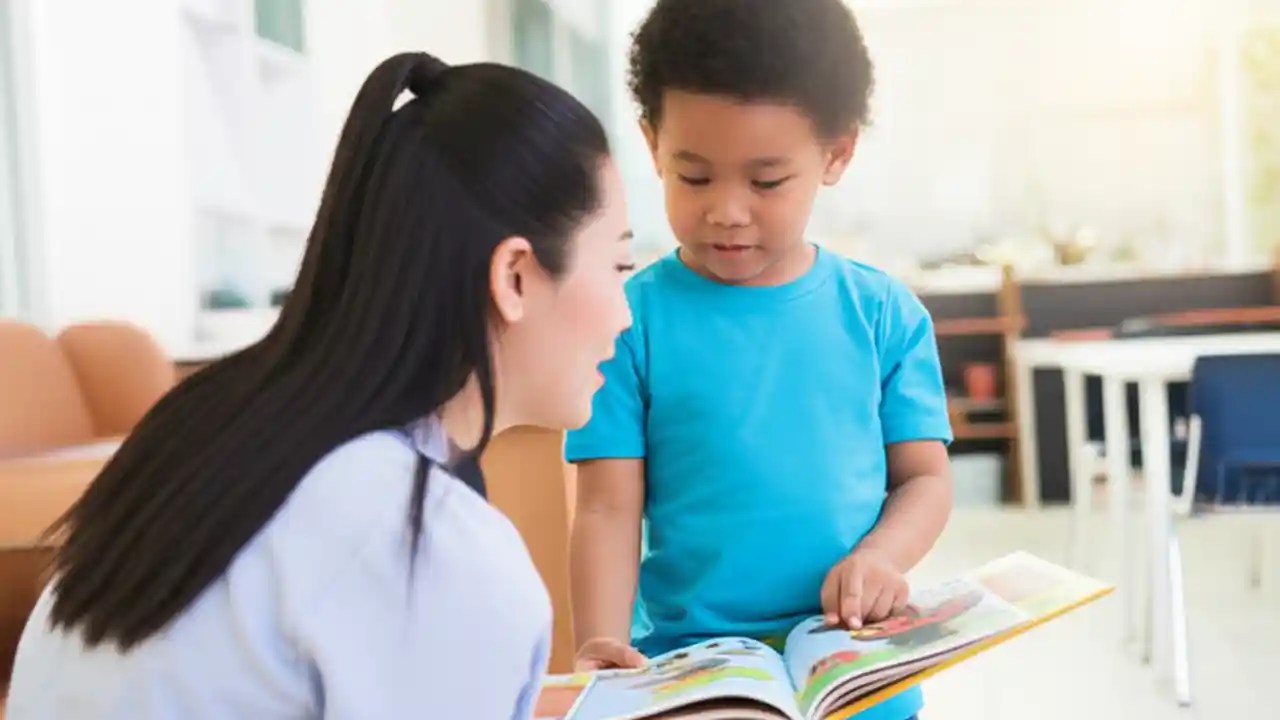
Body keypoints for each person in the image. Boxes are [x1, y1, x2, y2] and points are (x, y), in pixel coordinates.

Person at [7, 52, 634, 719]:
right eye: (620, 264)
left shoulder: (214, 429)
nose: (625, 316)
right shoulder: (426, 541)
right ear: (513, 277)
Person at [565, 2, 953, 719]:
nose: (728, 211)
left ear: (836, 154)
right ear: (652, 146)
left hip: (854, 659)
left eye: (766, 181)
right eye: (695, 177)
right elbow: (606, 506)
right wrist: (600, 643)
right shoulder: (628, 321)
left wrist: (881, 558)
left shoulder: (883, 315)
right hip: (695, 671)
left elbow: (924, 479)